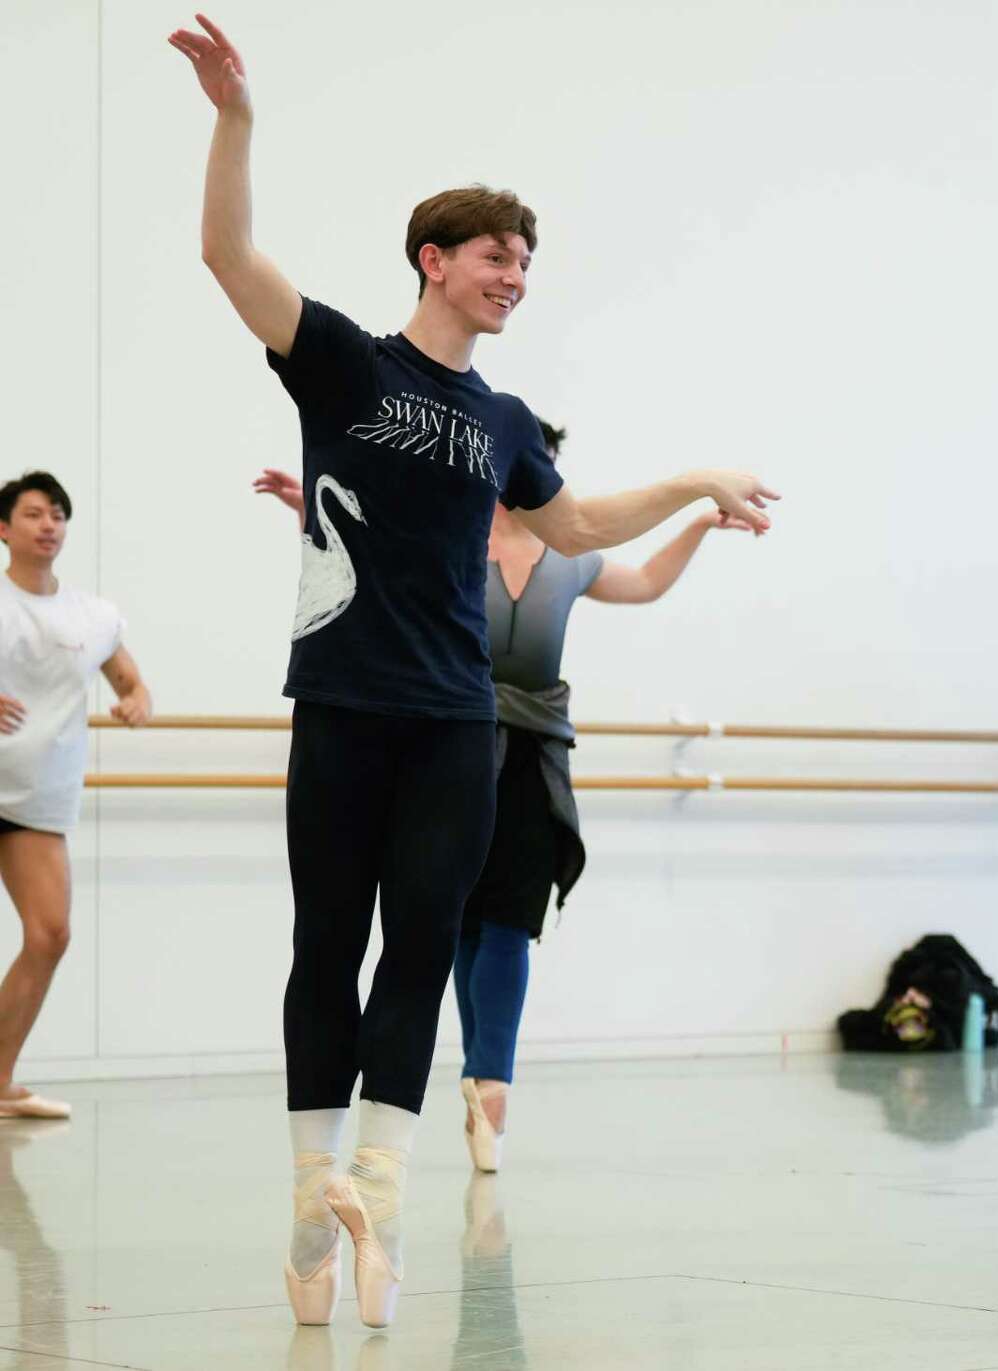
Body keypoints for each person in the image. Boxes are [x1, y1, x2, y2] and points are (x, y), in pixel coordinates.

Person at [171, 14, 777, 1329]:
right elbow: (225, 252)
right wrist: (236, 120)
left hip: (455, 718)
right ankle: (305, 1196)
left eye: (526, 263)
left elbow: (574, 527)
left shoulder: (503, 423)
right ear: (435, 260)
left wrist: (691, 483)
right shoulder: (342, 361)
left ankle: (378, 1196)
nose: (515, 276)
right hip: (342, 704)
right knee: (326, 941)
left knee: (424, 943)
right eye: (498, 257)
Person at [255, 420, 750, 1174]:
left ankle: (492, 1083)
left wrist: (700, 526)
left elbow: (645, 582)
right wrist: (306, 510)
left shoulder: (571, 560)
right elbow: (377, 560)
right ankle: (476, 1076)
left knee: (513, 919)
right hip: (450, 747)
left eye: (543, 468)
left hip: (533, 756)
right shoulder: (452, 538)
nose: (532, 480)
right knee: (455, 919)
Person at [0, 473, 153, 1124]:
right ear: (5, 529)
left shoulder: (92, 615)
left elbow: (128, 675)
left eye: (58, 514)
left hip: (35, 798)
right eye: (33, 513)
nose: (48, 524)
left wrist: (136, 698)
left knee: (51, 933)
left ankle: (0, 1081)